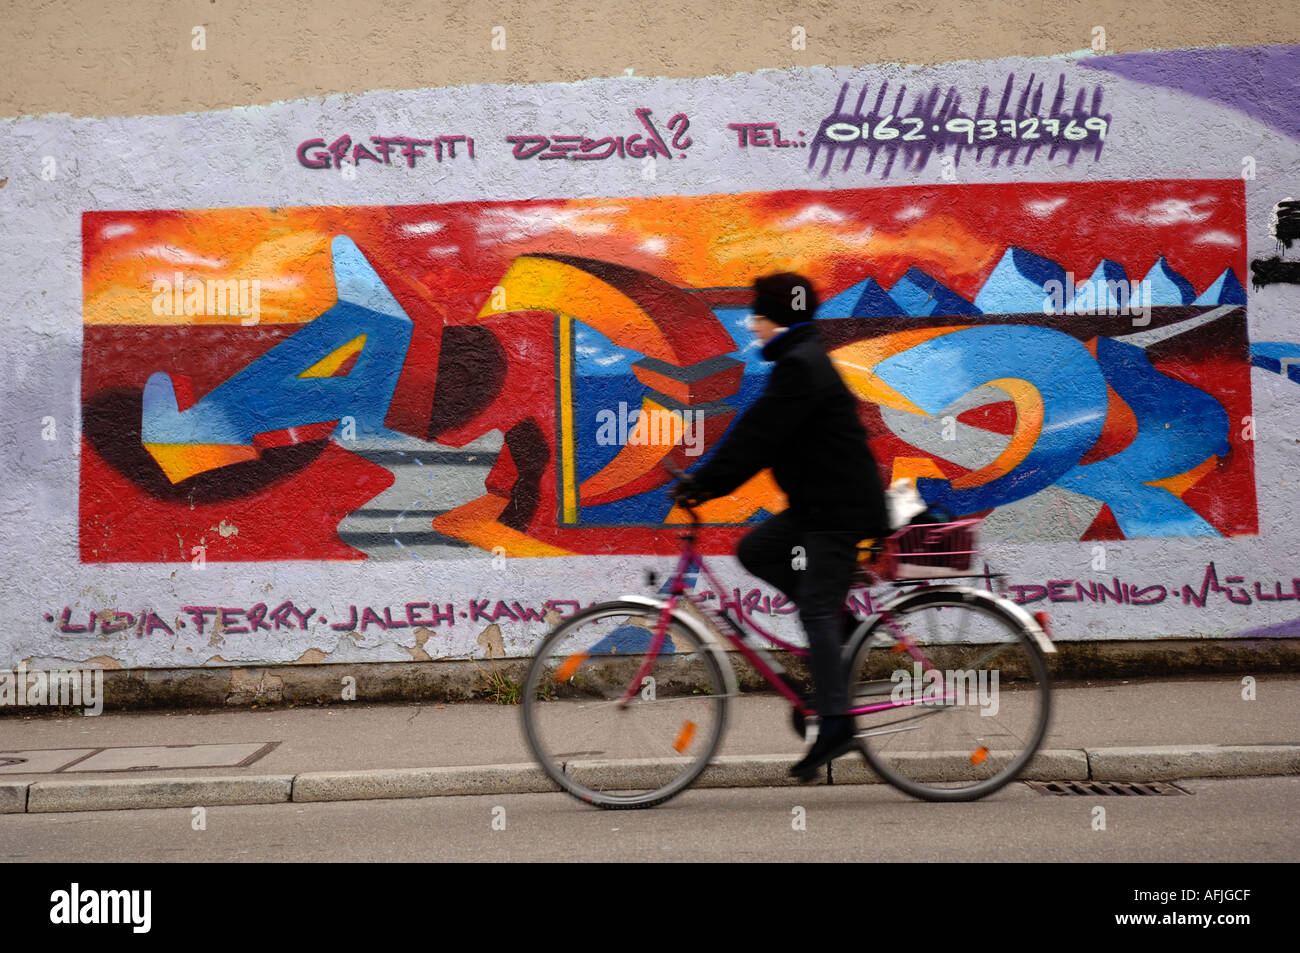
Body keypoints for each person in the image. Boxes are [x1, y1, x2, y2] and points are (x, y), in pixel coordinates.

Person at [672, 272, 889, 781]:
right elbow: (761, 434)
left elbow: (757, 437)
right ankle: (843, 631)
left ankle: (836, 725)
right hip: (819, 505)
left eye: (760, 315)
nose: (753, 324)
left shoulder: (801, 366)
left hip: (840, 511)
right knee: (758, 550)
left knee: (814, 601)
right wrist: (707, 481)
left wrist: (702, 485)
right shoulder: (799, 362)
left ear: (780, 318)